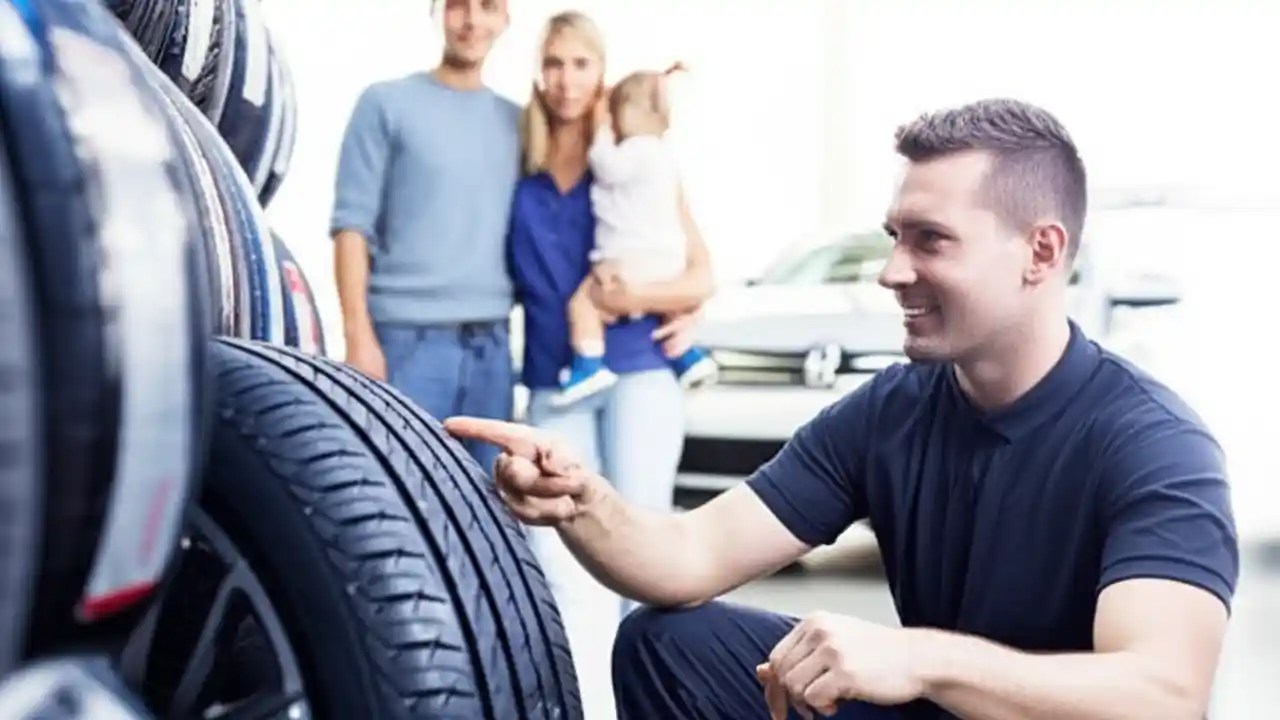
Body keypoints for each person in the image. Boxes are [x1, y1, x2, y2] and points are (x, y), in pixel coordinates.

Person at [447, 97, 1239, 720]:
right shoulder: (892, 411)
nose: (892, 271)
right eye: (894, 235)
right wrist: (585, 503)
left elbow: (1162, 696)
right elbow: (689, 555)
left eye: (930, 240)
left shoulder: (1153, 444)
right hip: (935, 710)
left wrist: (920, 660)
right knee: (668, 642)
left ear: (1041, 251)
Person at [502, 10, 715, 717]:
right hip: (556, 383)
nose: (566, 79)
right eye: (554, 63)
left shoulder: (633, 156)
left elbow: (698, 272)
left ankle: (652, 702)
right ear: (539, 70)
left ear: (601, 72)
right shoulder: (518, 161)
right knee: (564, 567)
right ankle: (586, 705)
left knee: (645, 545)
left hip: (638, 370)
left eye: (580, 64)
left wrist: (654, 299)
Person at [329, 0, 518, 472]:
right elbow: (352, 226)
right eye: (458, 6)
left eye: (487, 6)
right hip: (404, 344)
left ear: (505, 18)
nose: (472, 21)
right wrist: (358, 337)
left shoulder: (521, 122)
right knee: (400, 496)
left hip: (491, 348)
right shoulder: (385, 103)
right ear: (436, 12)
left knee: (489, 515)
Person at [553, 63, 718, 407]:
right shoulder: (664, 158)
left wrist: (601, 129)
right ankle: (688, 356)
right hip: (665, 259)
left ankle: (588, 364)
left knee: (583, 305)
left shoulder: (635, 150)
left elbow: (606, 165)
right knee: (670, 314)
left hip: (628, 261)